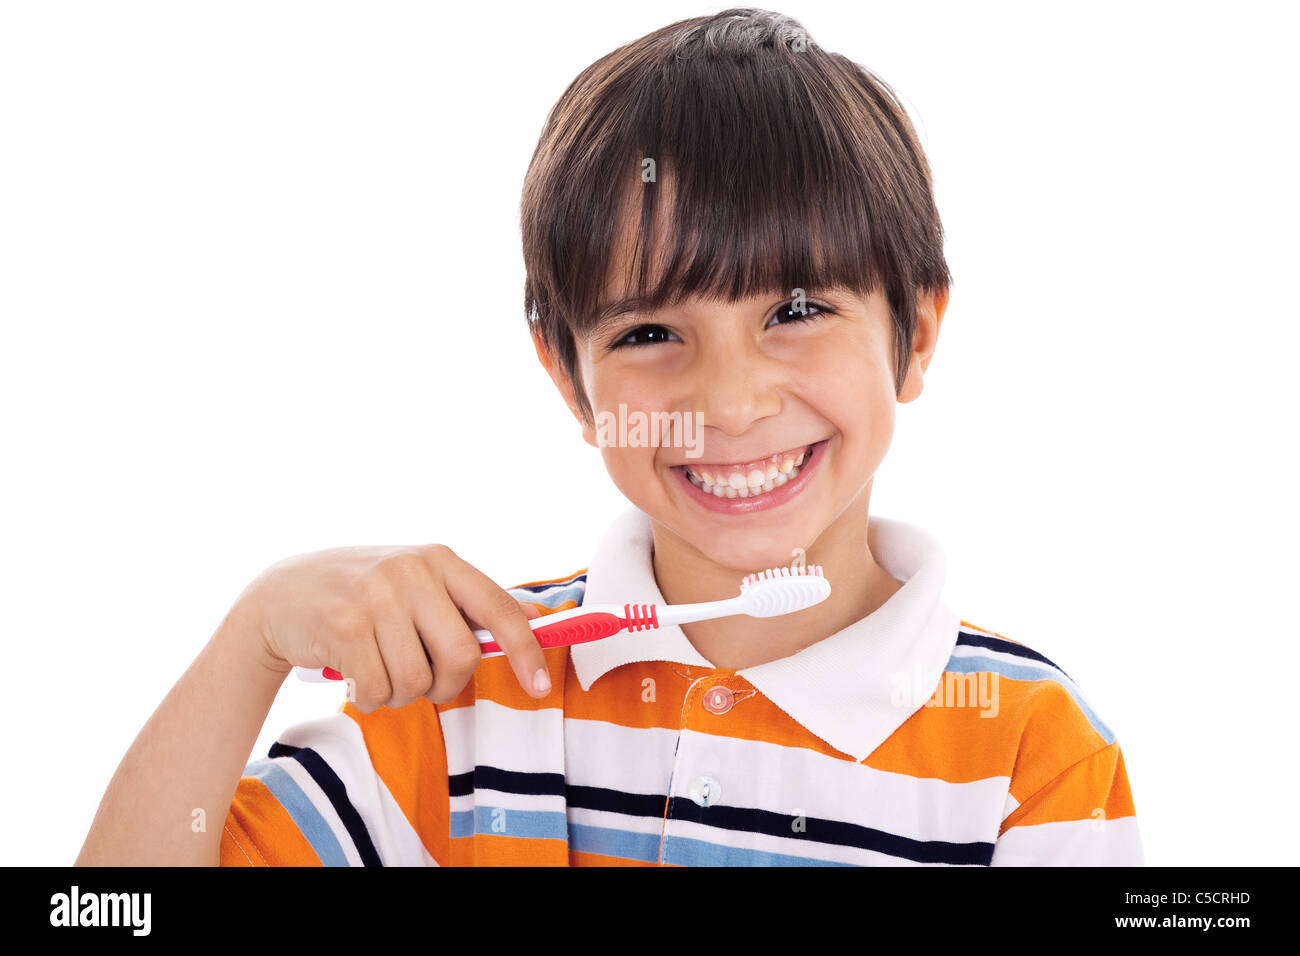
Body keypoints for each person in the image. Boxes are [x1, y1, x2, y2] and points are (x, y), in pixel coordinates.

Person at [76, 7, 1141, 867]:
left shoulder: (1029, 749)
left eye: (797, 310)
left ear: (916, 334)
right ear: (568, 378)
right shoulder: (463, 700)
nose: (728, 404)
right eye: (648, 331)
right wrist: (252, 637)